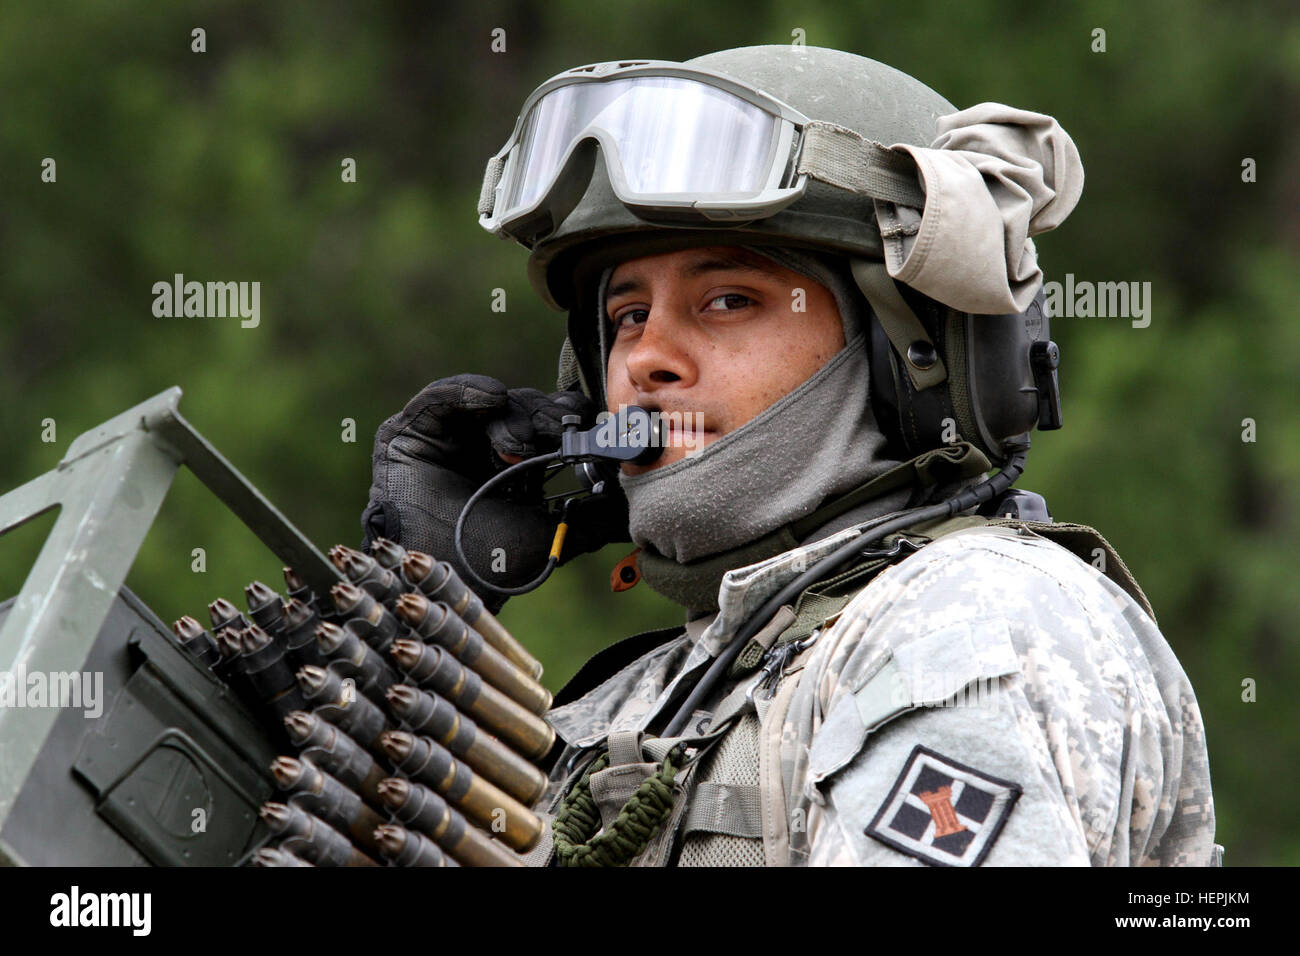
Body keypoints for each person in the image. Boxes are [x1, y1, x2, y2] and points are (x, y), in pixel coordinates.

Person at [362, 46, 1219, 866]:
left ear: (908, 355)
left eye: (728, 300)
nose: (646, 357)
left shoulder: (967, 624)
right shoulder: (646, 695)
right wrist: (405, 648)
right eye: (626, 314)